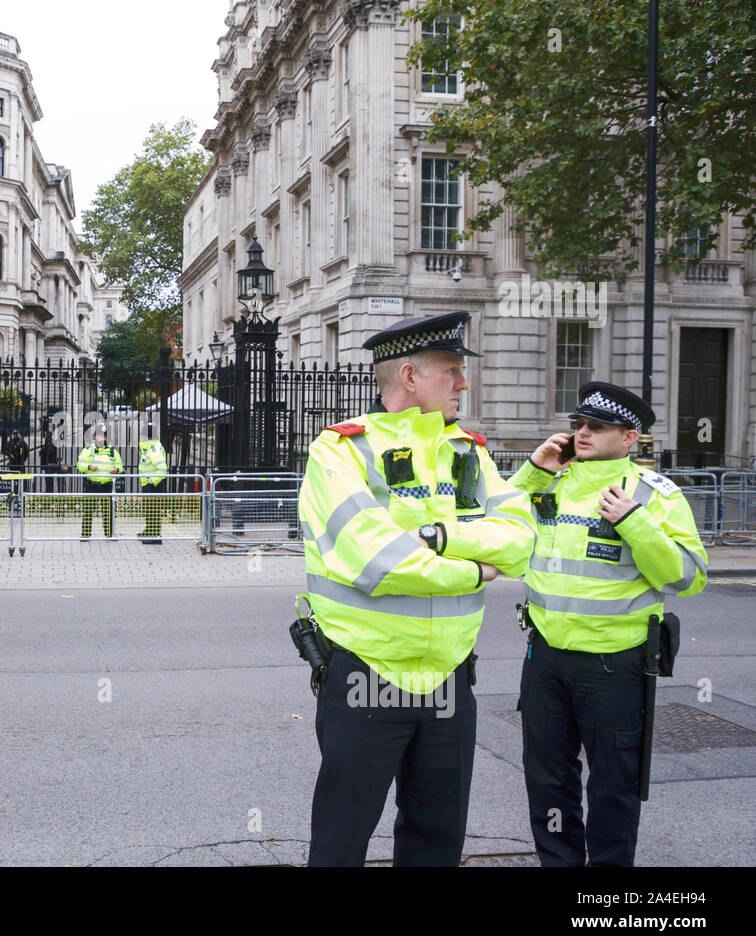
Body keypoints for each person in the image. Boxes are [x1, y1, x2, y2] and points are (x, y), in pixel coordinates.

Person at [299, 311, 535, 866]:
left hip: (451, 678)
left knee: (437, 840)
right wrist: (475, 569)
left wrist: (437, 535)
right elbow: (378, 560)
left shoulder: (467, 451)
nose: (463, 383)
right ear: (409, 376)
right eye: (452, 370)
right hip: (366, 673)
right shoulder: (341, 450)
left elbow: (521, 540)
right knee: (341, 840)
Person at [508, 381, 707, 866]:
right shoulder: (551, 482)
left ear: (630, 437)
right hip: (546, 659)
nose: (583, 433)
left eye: (597, 426)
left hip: (614, 667)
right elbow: (495, 528)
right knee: (548, 780)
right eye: (578, 424)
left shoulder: (653, 494)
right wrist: (532, 471)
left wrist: (635, 522)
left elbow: (688, 576)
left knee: (614, 785)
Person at [77, 423, 122, 539]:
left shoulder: (113, 452)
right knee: (88, 511)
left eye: (104, 436)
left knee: (108, 512)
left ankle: (110, 534)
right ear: (94, 437)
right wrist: (88, 467)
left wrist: (117, 469)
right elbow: (80, 464)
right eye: (99, 435)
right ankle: (85, 534)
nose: (101, 438)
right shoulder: (88, 450)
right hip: (92, 485)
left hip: (107, 486)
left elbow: (120, 465)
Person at [137, 422, 168, 543]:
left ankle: (154, 536)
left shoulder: (153, 448)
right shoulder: (151, 447)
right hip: (150, 484)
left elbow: (162, 468)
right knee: (150, 510)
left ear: (147, 436)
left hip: (153, 485)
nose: (141, 437)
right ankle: (151, 532)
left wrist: (153, 480)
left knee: (152, 511)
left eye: (142, 435)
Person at [39, 424, 61, 493]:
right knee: (47, 478)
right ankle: (48, 491)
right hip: (47, 463)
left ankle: (49, 491)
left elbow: (50, 451)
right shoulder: (48, 441)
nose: (44, 437)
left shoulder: (50, 441)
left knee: (49, 478)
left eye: (44, 435)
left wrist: (43, 450)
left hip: (50, 463)